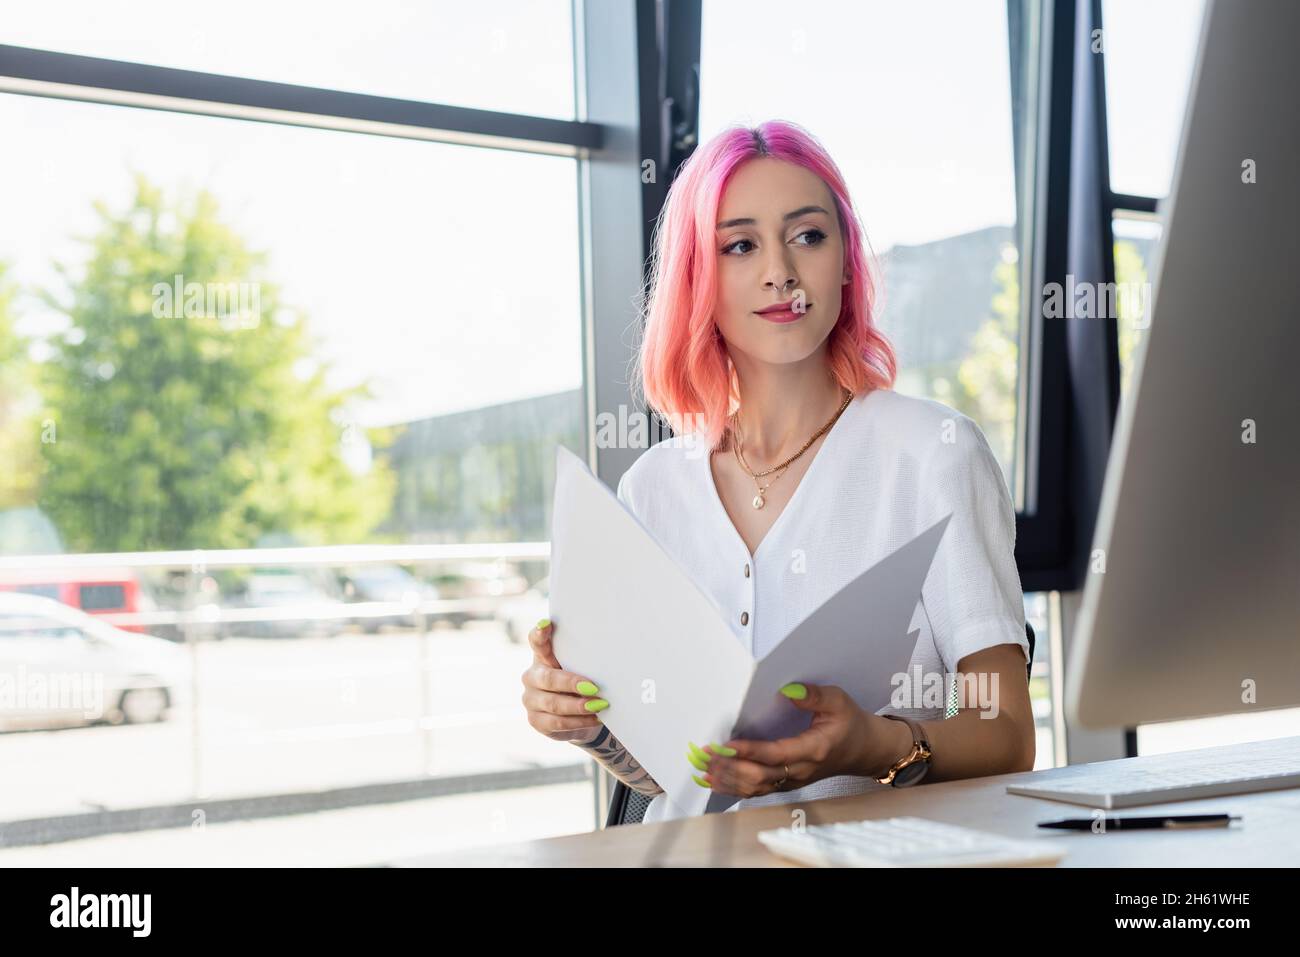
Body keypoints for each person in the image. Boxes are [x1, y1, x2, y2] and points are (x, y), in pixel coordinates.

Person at [522, 119, 1033, 824]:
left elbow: (1007, 733)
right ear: (699, 276)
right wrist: (593, 728)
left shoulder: (934, 451)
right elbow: (680, 773)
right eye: (740, 245)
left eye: (808, 235)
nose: (780, 271)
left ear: (848, 259)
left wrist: (871, 743)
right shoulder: (652, 488)